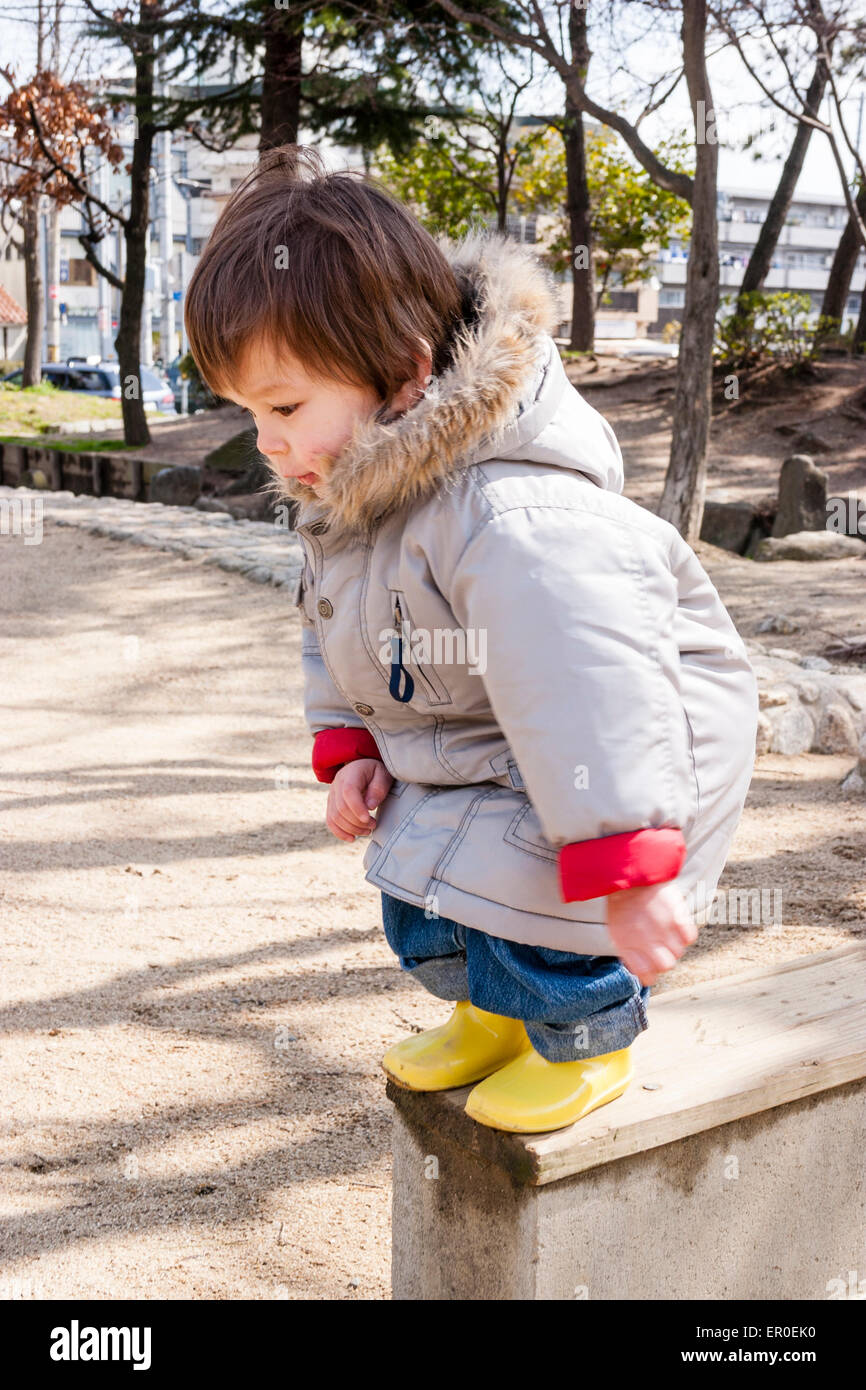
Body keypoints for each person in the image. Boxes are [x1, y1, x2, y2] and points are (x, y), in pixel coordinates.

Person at [184, 145, 759, 1135]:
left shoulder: (509, 514)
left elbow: (589, 687)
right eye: (249, 414)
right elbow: (334, 631)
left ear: (403, 373)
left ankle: (588, 1037)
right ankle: (492, 1015)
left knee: (537, 909)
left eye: (284, 408)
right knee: (426, 899)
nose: (268, 442)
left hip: (621, 756)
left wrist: (629, 865)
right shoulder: (354, 500)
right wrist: (350, 747)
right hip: (488, 751)